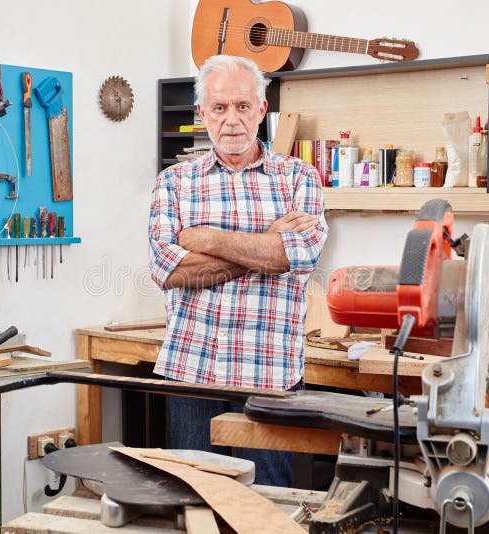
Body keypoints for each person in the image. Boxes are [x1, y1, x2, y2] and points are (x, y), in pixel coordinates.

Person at [148, 54, 327, 487]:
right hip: (191, 368)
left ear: (262, 110)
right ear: (202, 114)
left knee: (267, 498)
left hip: (269, 371)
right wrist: (264, 243)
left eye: (243, 106)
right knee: (194, 494)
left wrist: (204, 238)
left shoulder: (299, 178)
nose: (232, 120)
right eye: (220, 108)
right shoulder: (173, 181)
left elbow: (295, 256)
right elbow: (168, 270)